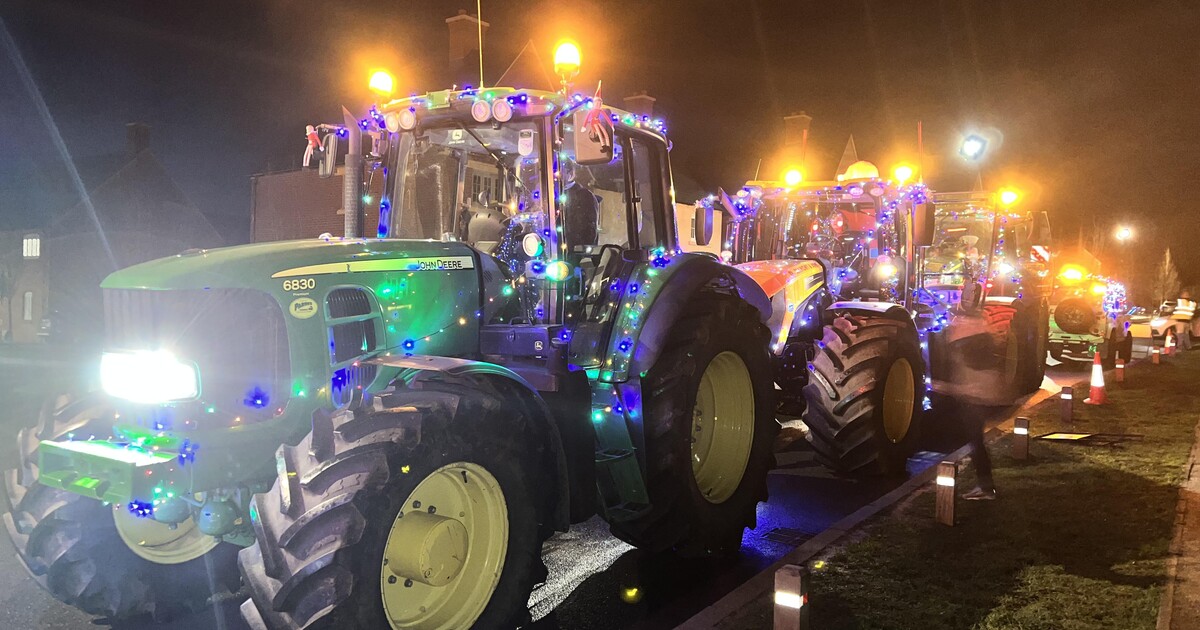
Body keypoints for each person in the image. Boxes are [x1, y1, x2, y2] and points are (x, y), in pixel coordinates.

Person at [931, 313, 1006, 500]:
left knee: (976, 443)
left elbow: (973, 386)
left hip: (975, 404)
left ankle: (986, 488)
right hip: (976, 402)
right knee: (975, 443)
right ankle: (984, 485)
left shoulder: (972, 356)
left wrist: (944, 387)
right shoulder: (982, 352)